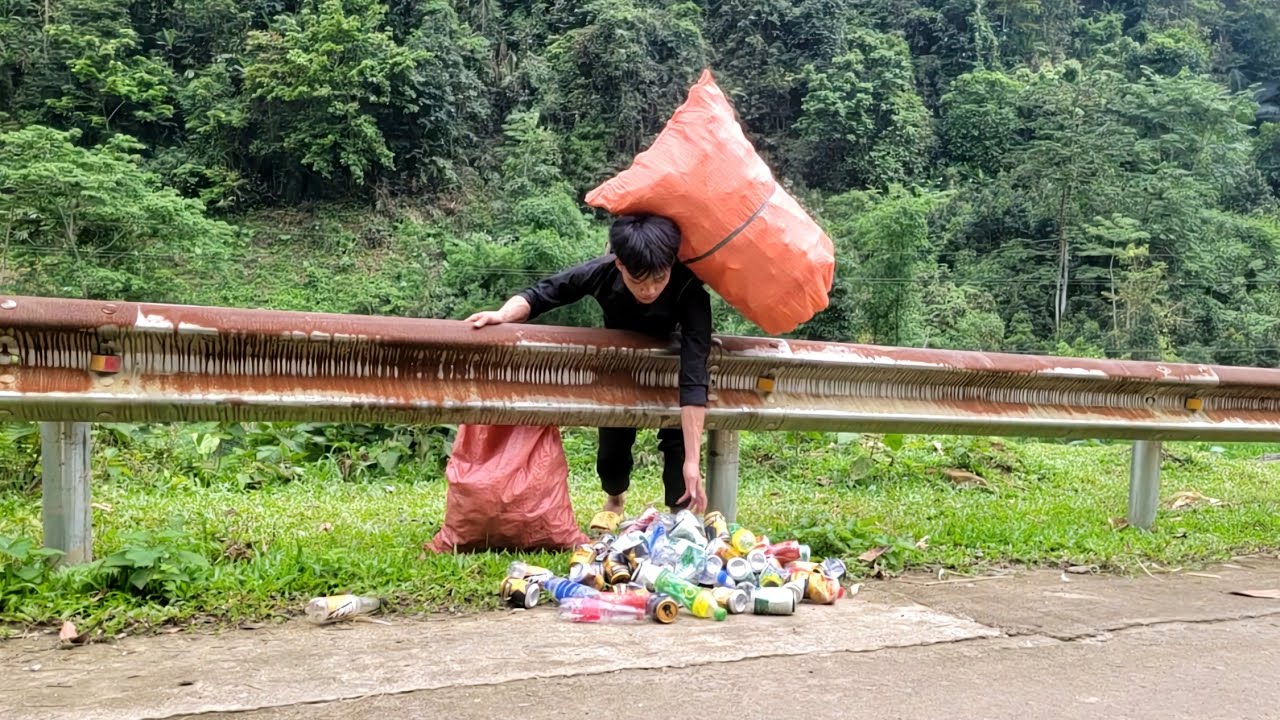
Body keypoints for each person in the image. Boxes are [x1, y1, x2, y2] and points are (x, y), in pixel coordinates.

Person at [465, 214, 713, 528]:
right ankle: (615, 500)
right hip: (619, 364)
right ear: (620, 264)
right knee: (613, 442)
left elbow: (694, 375)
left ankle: (681, 519)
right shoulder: (601, 271)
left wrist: (694, 461)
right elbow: (544, 293)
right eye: (639, 280)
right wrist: (502, 315)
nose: (649, 289)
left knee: (678, 443)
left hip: (671, 365)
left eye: (658, 279)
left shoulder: (690, 291)